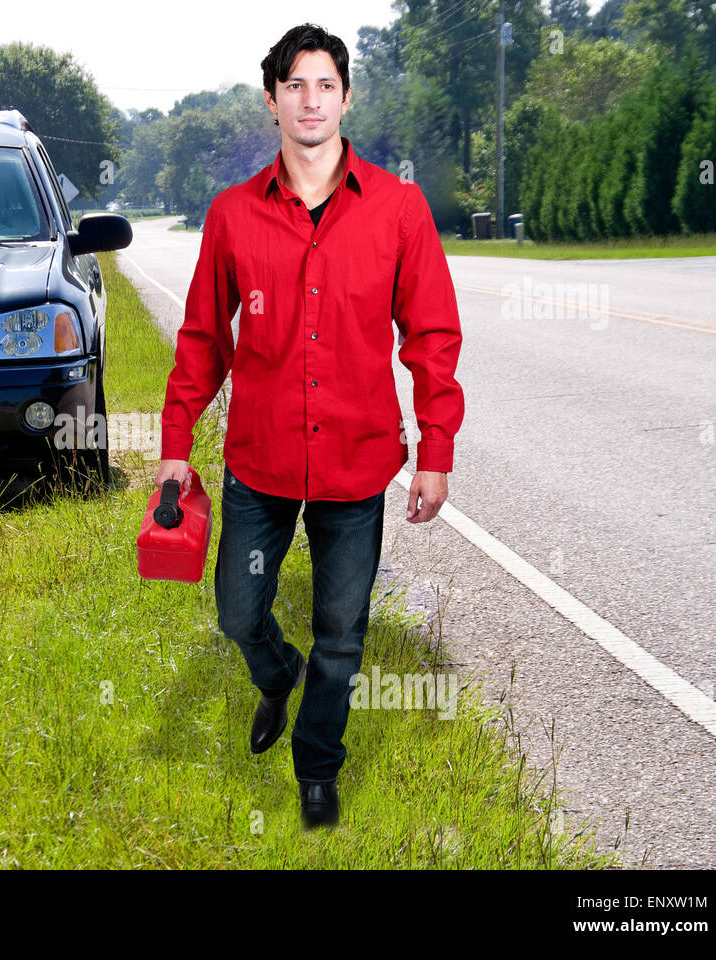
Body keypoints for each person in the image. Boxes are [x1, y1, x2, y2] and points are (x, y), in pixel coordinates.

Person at [155, 23, 465, 830]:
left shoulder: (398, 210)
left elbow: (431, 336)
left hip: (357, 465)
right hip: (258, 460)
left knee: (342, 637)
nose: (310, 99)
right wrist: (175, 447)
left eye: (325, 84)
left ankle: (317, 767)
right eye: (294, 85)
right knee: (235, 611)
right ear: (273, 101)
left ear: (347, 97)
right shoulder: (233, 216)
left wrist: (435, 453)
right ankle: (272, 670)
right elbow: (203, 340)